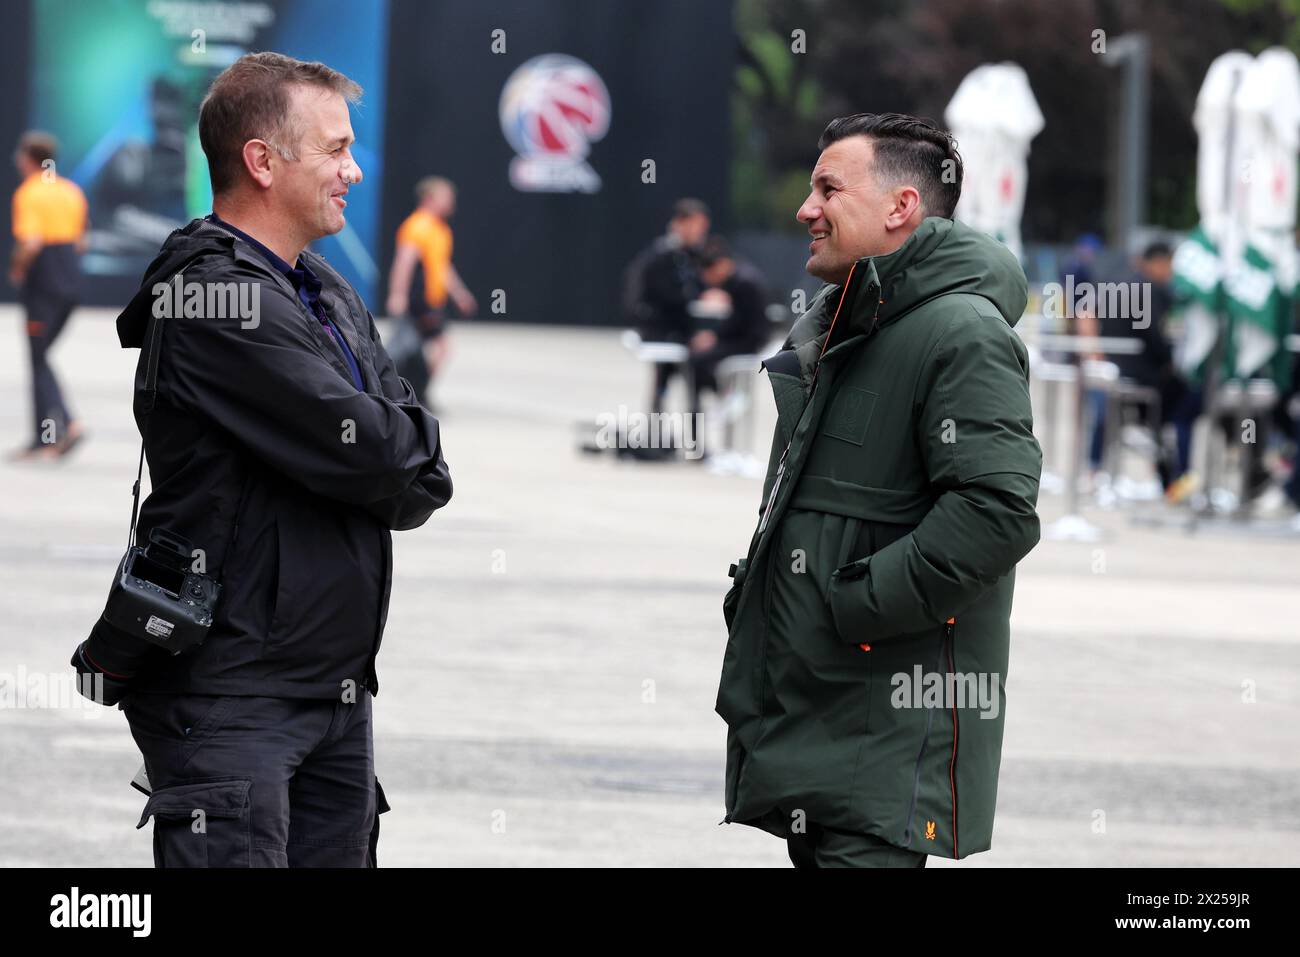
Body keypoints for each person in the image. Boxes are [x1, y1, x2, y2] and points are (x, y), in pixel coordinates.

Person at [69, 52, 452, 867]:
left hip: (335, 691)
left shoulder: (320, 288)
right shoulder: (218, 299)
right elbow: (387, 452)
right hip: (234, 694)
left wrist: (394, 442)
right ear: (263, 161)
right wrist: (392, 441)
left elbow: (422, 474)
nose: (353, 169)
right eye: (335, 148)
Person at [715, 113, 1042, 867]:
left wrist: (855, 605)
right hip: (819, 724)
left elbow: (996, 511)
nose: (805, 209)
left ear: (900, 207)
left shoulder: (960, 331)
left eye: (829, 188)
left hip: (884, 740)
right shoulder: (847, 327)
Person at [8, 131, 88, 460]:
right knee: (40, 357)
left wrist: (17, 269)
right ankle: (45, 438)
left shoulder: (30, 193)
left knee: (38, 359)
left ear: (27, 158)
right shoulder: (70, 191)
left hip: (43, 286)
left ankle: (66, 426)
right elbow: (83, 241)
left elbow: (31, 241)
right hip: (70, 284)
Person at [386, 176, 476, 404]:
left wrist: (459, 294)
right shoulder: (417, 226)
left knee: (417, 349)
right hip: (419, 301)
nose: (451, 201)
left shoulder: (440, 229)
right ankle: (411, 393)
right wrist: (398, 295)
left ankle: (411, 393)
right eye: (446, 196)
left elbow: (443, 266)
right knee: (430, 347)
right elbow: (404, 263)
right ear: (429, 198)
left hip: (432, 301)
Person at [625, 198, 710, 412]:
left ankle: (693, 438)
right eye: (695, 226)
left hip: (684, 330)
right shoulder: (660, 257)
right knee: (666, 379)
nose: (699, 233)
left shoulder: (696, 256)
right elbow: (661, 297)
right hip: (662, 330)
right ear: (680, 224)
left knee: (694, 383)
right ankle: (657, 438)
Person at [687, 236, 770, 414]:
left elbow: (742, 323)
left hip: (749, 341)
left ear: (720, 265)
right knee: (697, 358)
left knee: (697, 359)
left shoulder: (743, 283)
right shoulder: (740, 278)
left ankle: (726, 395)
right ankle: (721, 396)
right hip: (743, 336)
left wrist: (714, 338)